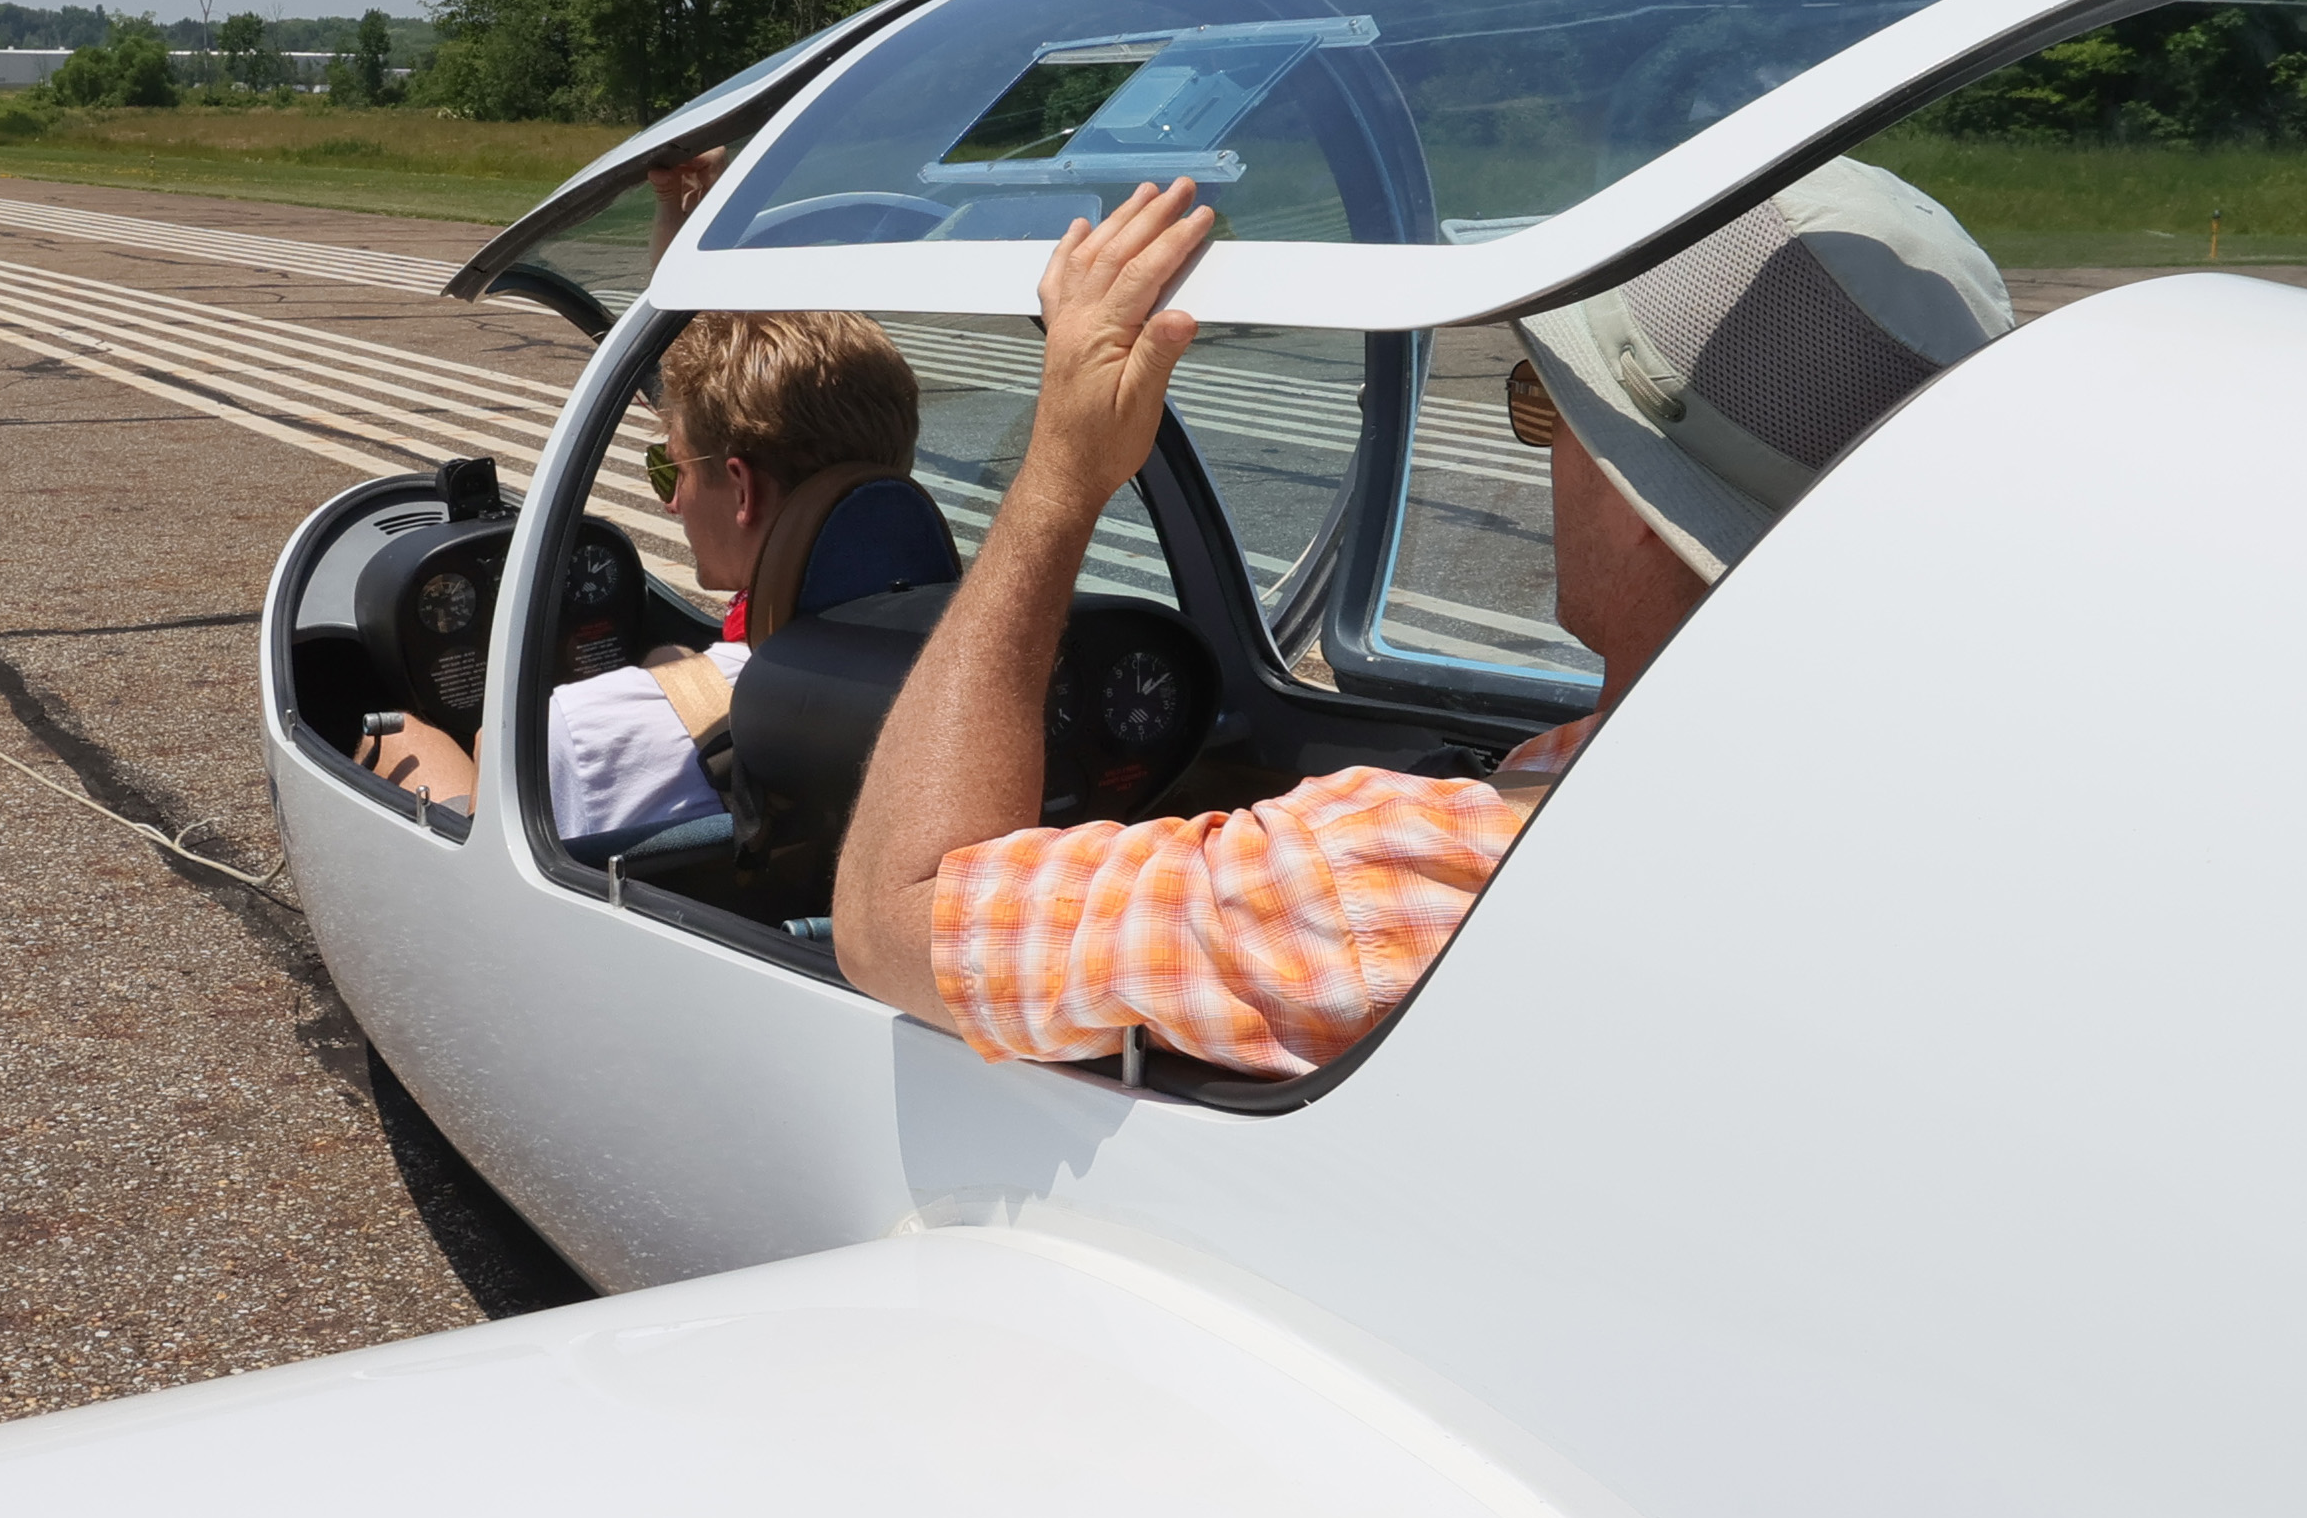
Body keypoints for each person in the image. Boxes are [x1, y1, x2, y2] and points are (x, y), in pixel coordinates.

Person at [829, 160, 2012, 1077]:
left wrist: (1058, 477)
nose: (1544, 456)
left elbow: (893, 918)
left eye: (1548, 406)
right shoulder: (1966, 842)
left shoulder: (1384, 887)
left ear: (1651, 508)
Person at [354, 308, 930, 849]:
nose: (671, 503)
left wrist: (495, 743)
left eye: (670, 469)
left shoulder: (583, 730)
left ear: (743, 490)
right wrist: (674, 673)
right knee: (668, 657)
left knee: (402, 736)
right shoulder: (957, 675)